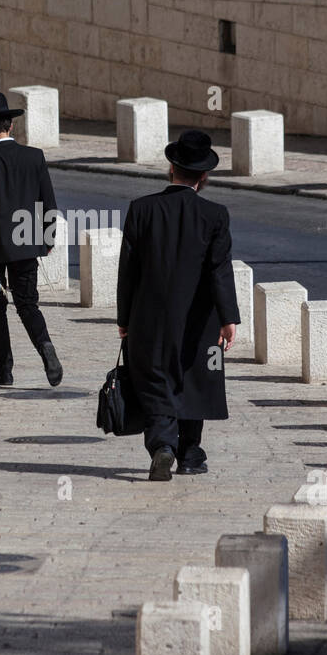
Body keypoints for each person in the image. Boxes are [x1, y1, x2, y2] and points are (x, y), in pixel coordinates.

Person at [115, 128, 240, 481]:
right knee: (192, 378)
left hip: (148, 317)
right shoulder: (215, 215)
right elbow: (220, 270)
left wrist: (124, 317)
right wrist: (228, 317)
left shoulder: (141, 210)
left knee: (154, 377)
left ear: (172, 168)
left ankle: (162, 446)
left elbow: (128, 271)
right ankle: (190, 452)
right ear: (204, 176)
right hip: (197, 319)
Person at [0, 92, 63, 388]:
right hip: (27, 242)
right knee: (27, 305)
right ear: (11, 127)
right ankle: (46, 349)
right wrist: (47, 240)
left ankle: (5, 372)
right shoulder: (34, 157)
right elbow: (49, 202)